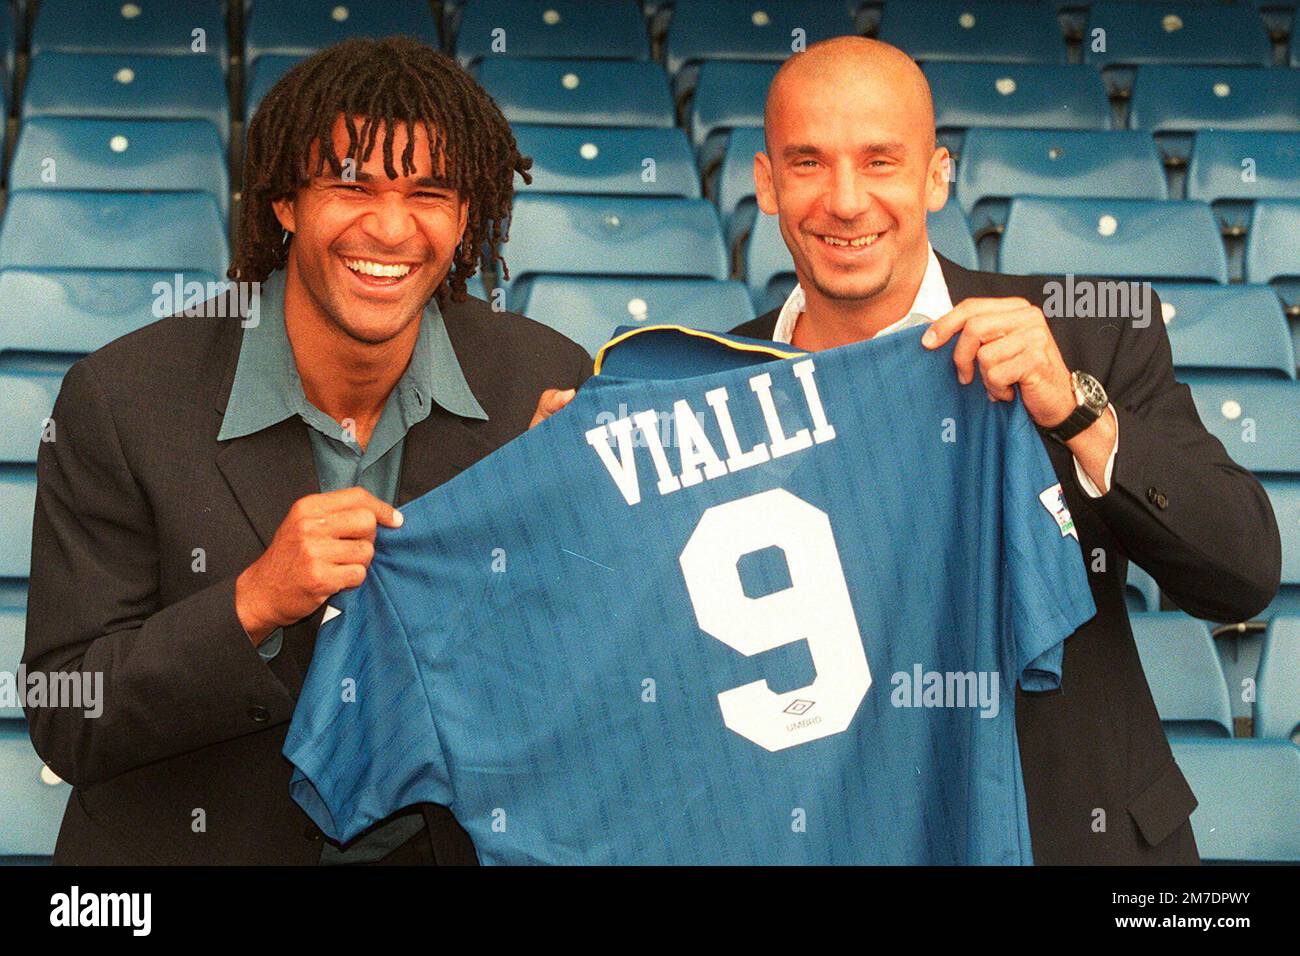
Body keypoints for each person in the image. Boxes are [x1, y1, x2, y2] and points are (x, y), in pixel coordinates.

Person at [23, 37, 588, 865]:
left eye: (429, 192)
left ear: (467, 214)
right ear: (286, 202)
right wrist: (252, 603)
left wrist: (571, 543)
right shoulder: (120, 399)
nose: (391, 228)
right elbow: (66, 713)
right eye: (352, 185)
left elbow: (576, 686)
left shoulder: (542, 383)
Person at [729, 37, 1281, 864]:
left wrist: (1076, 414)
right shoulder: (706, 387)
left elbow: (1242, 569)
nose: (846, 201)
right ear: (767, 182)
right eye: (808, 163)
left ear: (936, 176)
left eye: (881, 161)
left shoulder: (1086, 337)